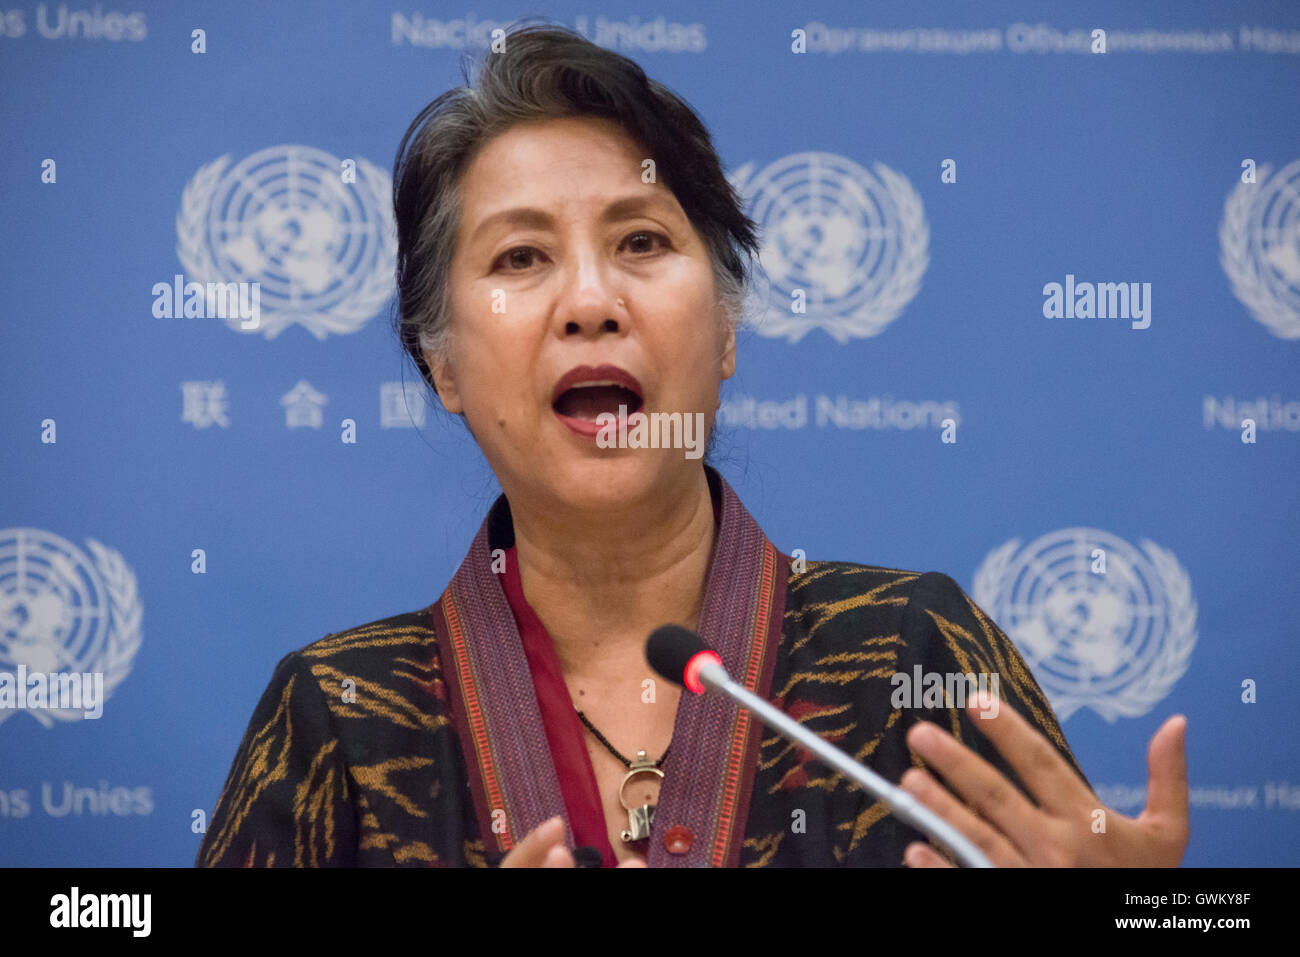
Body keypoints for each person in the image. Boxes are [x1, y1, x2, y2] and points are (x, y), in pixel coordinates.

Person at [196, 23, 1189, 869]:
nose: (590, 302)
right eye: (520, 256)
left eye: (641, 242)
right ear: (442, 363)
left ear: (724, 333)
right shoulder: (340, 717)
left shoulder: (909, 656)